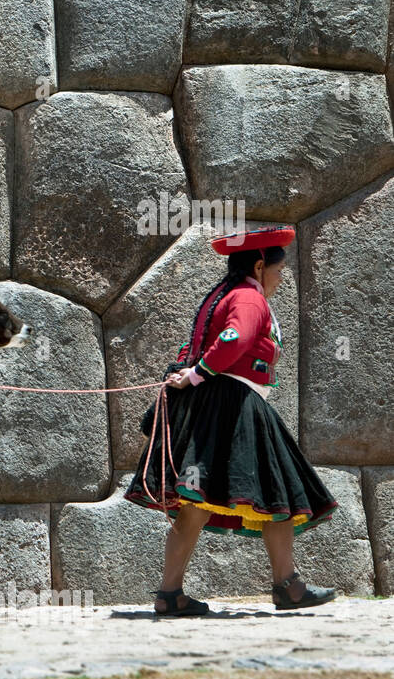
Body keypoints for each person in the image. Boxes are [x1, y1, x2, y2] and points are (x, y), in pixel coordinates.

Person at [124, 226, 338, 616]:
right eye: (278, 270)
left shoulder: (222, 295)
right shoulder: (249, 298)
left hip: (219, 403)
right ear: (259, 266)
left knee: (199, 501)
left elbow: (210, 341)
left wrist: (193, 375)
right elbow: (235, 338)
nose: (280, 277)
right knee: (276, 493)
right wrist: (196, 374)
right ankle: (287, 586)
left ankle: (171, 593)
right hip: (235, 405)